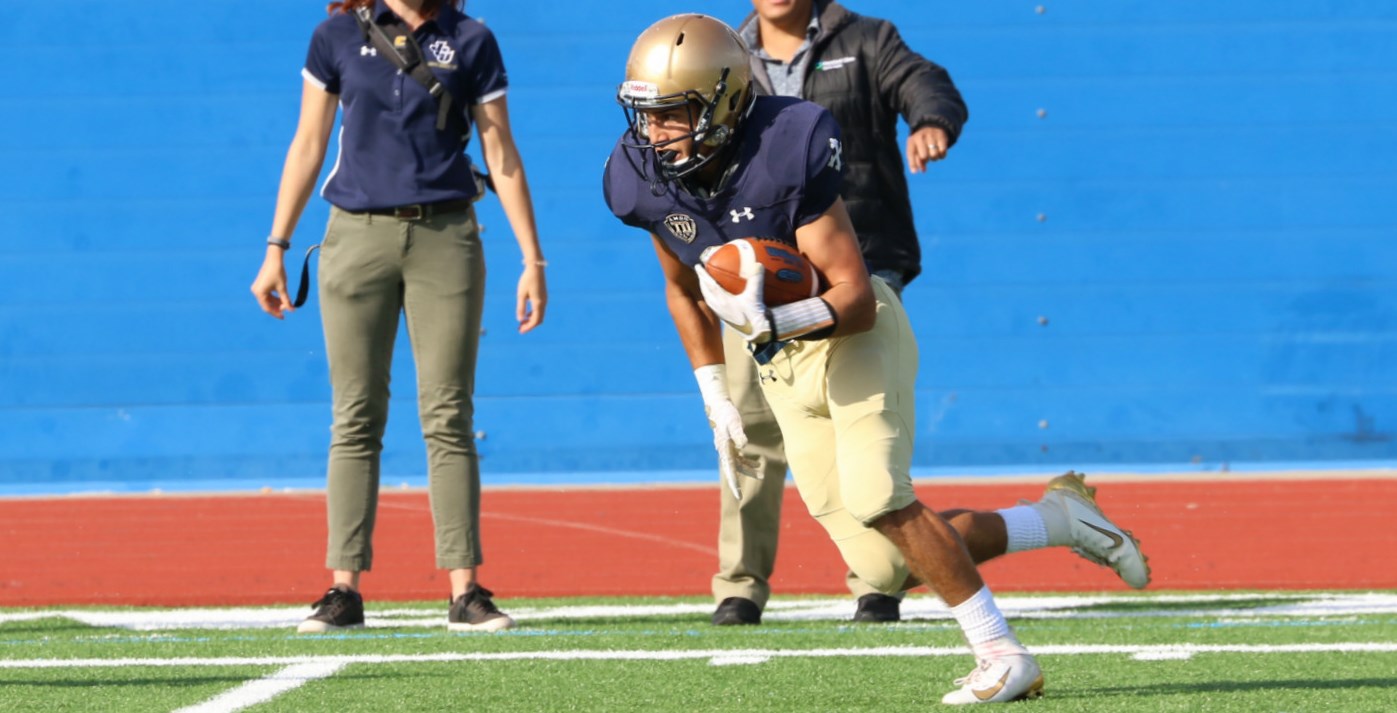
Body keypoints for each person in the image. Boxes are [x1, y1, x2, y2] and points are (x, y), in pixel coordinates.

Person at [603, 14, 1149, 703]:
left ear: (723, 99)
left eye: (673, 114)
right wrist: (713, 388)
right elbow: (681, 286)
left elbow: (854, 296)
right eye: (647, 114)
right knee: (884, 564)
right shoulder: (638, 174)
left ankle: (1003, 653)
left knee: (876, 495)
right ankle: (1061, 518)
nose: (654, 133)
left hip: (852, 335)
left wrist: (775, 316)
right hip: (778, 363)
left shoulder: (785, 142)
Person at [250, 0, 547, 634]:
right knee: (355, 415)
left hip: (447, 237)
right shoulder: (334, 35)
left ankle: (465, 591)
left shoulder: (472, 38)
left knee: (448, 414)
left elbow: (502, 152)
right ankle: (342, 589)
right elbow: (309, 142)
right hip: (353, 238)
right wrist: (276, 246)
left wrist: (532, 258)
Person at [708, 0, 971, 626]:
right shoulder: (726, 55)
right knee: (749, 428)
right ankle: (740, 585)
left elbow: (922, 81)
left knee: (864, 428)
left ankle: (875, 580)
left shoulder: (868, 39)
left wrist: (930, 121)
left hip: (859, 267)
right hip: (759, 282)